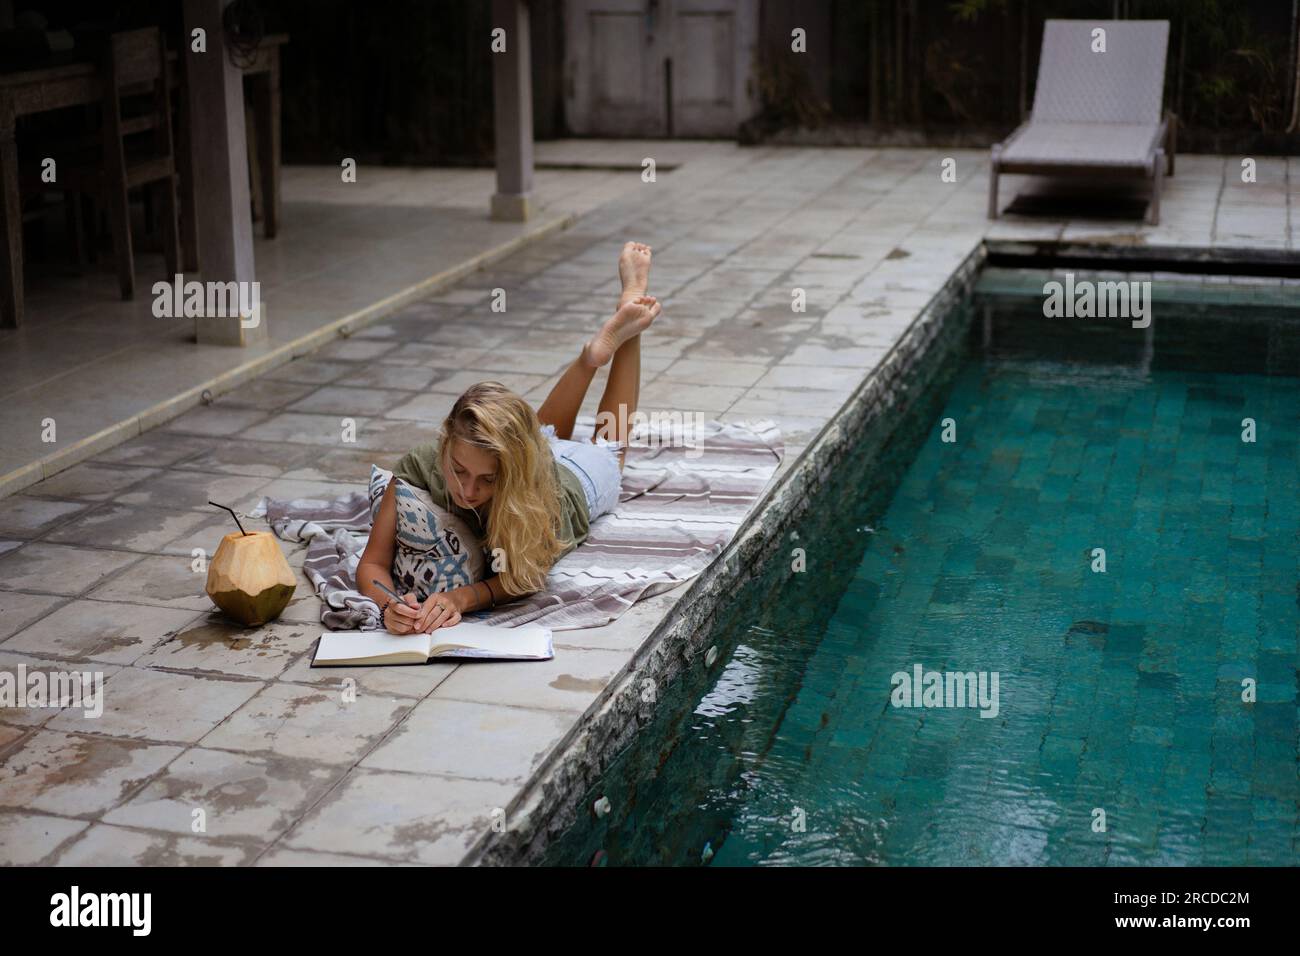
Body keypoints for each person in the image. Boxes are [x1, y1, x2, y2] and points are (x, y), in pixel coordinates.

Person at [357, 242, 660, 633]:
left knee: (610, 447)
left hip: (574, 481)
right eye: (459, 470)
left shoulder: (533, 506)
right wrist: (389, 606)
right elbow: (372, 564)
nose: (467, 491)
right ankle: (589, 359)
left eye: (488, 480)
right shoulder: (419, 464)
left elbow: (522, 579)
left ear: (511, 473)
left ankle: (630, 316)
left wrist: (459, 599)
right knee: (538, 433)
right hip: (527, 452)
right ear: (445, 445)